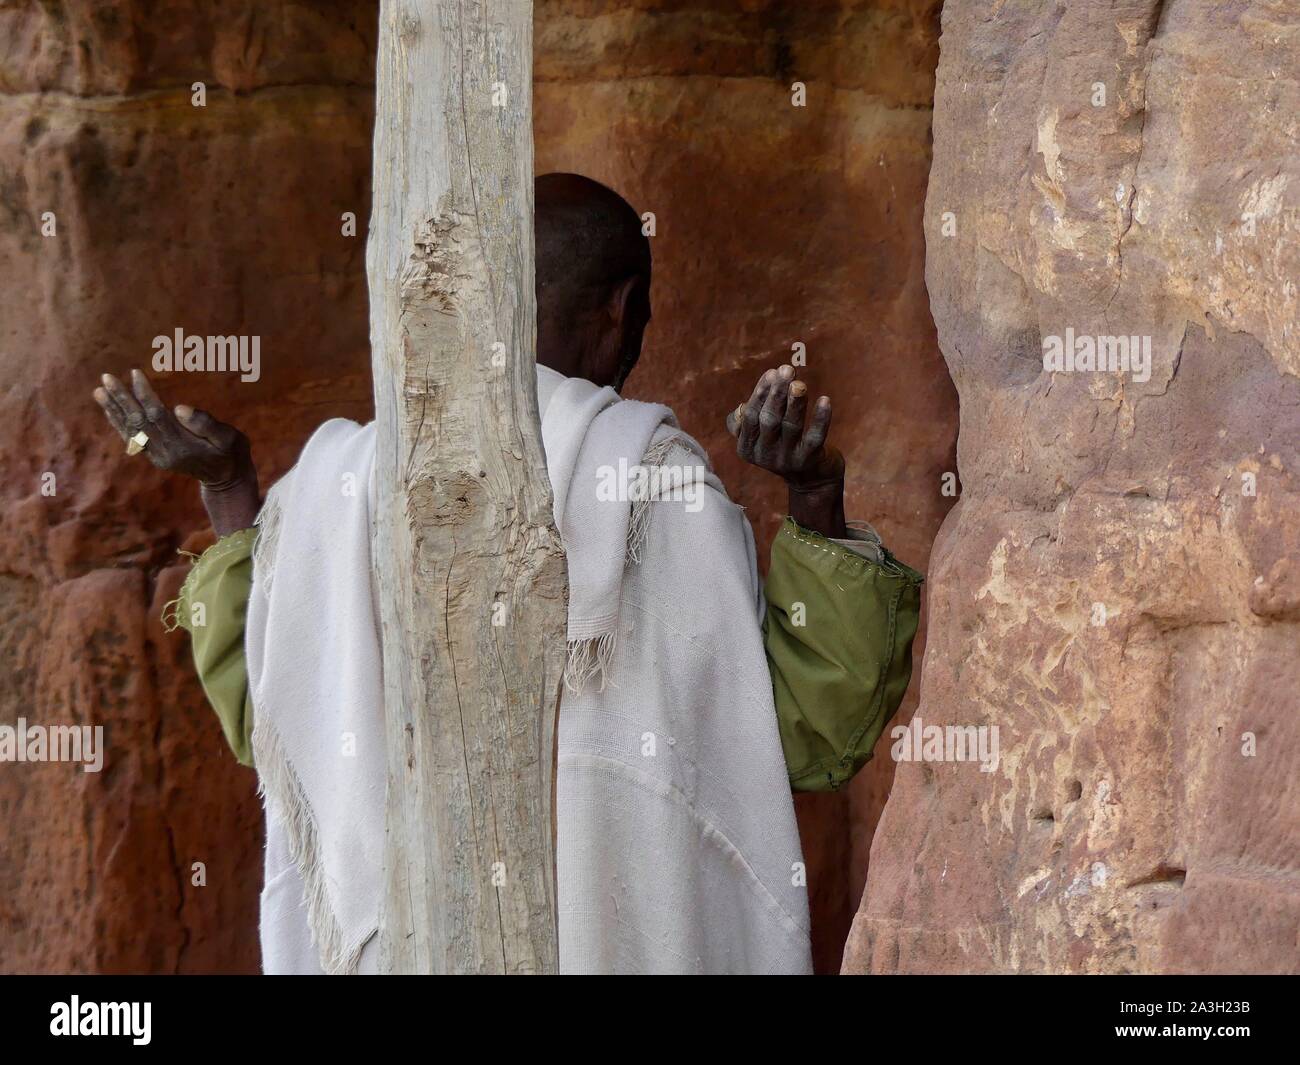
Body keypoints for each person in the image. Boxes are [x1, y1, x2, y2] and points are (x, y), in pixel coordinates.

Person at [93, 173, 922, 974]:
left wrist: (230, 490)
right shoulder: (655, 481)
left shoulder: (341, 485)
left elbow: (270, 719)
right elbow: (806, 736)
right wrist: (814, 498)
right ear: (624, 309)